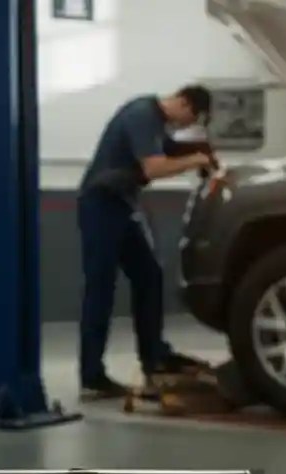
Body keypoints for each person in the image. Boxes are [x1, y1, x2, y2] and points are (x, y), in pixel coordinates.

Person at [77, 85, 216, 399]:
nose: (183, 126)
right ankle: (91, 373)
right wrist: (196, 159)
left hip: (122, 206)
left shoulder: (153, 122)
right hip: (101, 205)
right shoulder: (142, 115)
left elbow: (167, 149)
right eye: (189, 119)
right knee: (100, 288)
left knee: (149, 275)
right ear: (182, 102)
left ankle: (155, 355)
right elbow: (153, 166)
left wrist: (200, 149)